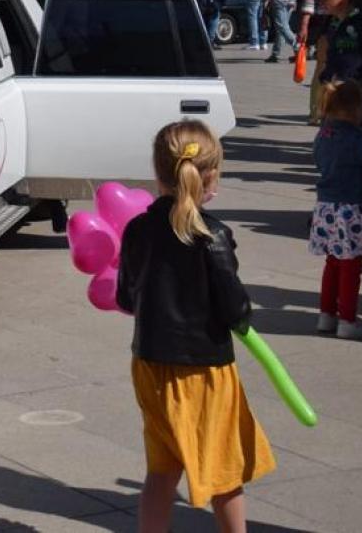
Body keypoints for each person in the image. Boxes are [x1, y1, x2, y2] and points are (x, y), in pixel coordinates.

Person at [116, 120, 275, 532]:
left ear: (157, 173)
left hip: (150, 364)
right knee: (224, 469)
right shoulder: (214, 235)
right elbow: (235, 309)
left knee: (162, 468)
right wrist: (242, 315)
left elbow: (124, 298)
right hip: (203, 371)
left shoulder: (136, 229)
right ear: (211, 176)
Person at [308, 81, 362, 338]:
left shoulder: (324, 134)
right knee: (352, 265)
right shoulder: (358, 139)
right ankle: (348, 319)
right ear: (355, 108)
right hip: (354, 207)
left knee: (333, 262)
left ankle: (326, 314)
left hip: (326, 205)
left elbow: (317, 161)